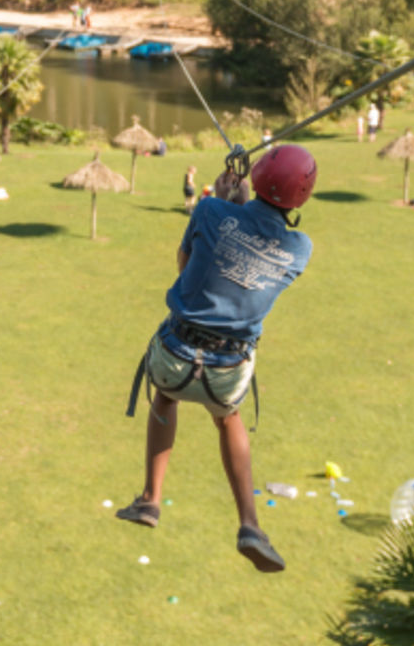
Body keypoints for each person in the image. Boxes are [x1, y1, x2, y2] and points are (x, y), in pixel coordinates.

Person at [118, 145, 317, 573]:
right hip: (228, 370)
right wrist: (241, 210)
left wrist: (229, 204)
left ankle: (151, 499)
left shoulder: (209, 210)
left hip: (174, 354)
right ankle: (249, 524)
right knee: (228, 419)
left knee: (165, 399)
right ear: (302, 196)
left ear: (257, 176)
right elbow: (252, 250)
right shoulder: (300, 249)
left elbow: (186, 264)